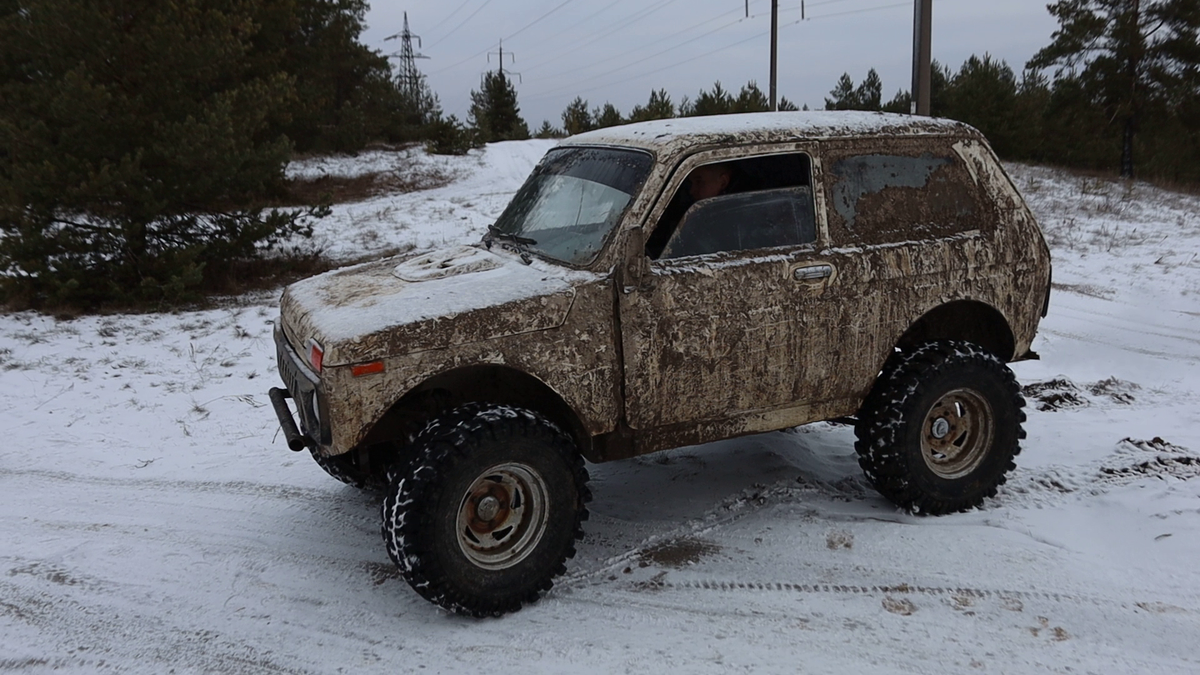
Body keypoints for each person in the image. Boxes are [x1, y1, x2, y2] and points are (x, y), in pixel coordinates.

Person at [645, 162, 735, 258]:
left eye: (699, 182)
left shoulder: (735, 217)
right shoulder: (697, 211)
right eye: (691, 183)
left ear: (723, 182)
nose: (692, 190)